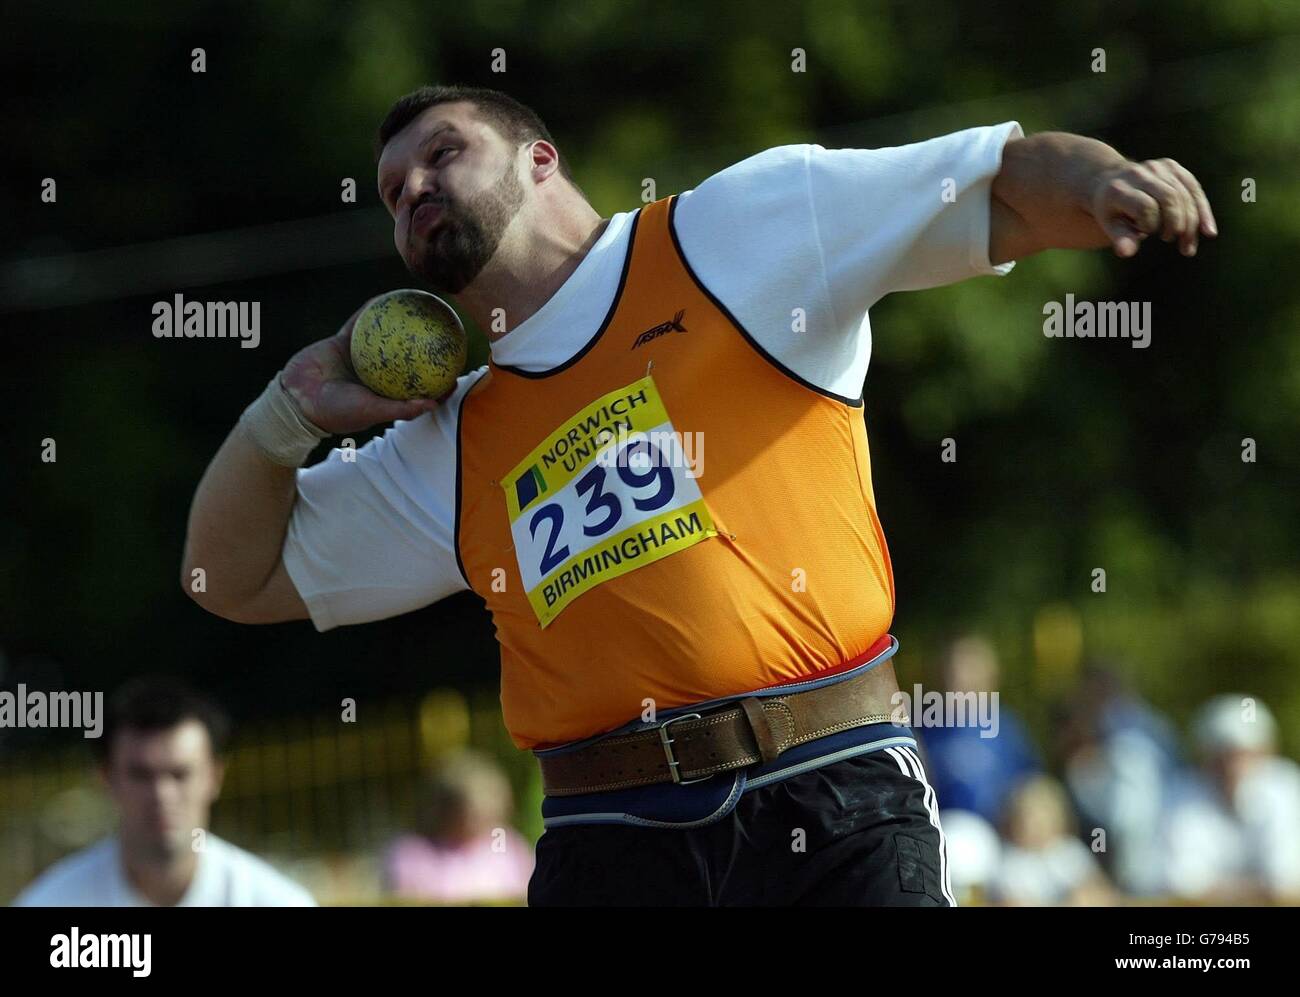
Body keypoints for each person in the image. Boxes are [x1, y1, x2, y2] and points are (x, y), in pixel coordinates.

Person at [181, 83, 1216, 905]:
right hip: (609, 840)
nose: (411, 191)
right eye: (393, 191)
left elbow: (991, 179)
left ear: (541, 159)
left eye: (440, 155)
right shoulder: (446, 438)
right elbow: (229, 576)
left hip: (831, 790)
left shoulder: (733, 231)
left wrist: (1102, 182)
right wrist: (292, 412)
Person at [13, 677, 315, 907]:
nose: (162, 794)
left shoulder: (274, 899)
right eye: (140, 774)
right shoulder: (51, 900)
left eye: (180, 774)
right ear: (107, 778)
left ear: (214, 776)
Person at [1160, 695, 1300, 902]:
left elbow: (1286, 882)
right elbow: (1179, 883)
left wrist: (1216, 889)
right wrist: (1260, 890)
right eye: (1224, 756)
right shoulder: (1182, 793)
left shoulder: (1284, 786)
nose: (1234, 767)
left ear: (1267, 753)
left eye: (1246, 754)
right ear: (1204, 756)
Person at [383, 750, 534, 903]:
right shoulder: (414, 852)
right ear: (446, 809)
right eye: (470, 811)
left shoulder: (507, 843)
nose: (480, 818)